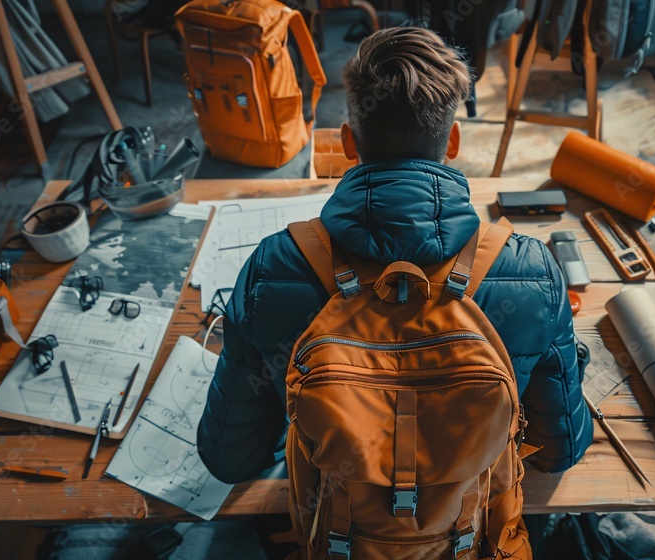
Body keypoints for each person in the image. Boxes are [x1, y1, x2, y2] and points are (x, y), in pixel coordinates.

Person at [196, 25, 593, 552]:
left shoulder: (276, 266)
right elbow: (559, 452)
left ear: (347, 142)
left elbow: (229, 459)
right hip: (466, 539)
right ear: (452, 142)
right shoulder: (533, 271)